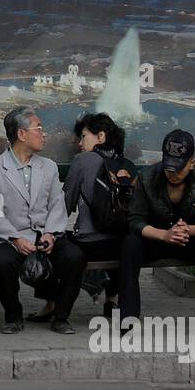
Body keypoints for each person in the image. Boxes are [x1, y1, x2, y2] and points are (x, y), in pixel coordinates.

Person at [0, 106, 84, 334]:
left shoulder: (48, 167)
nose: (43, 134)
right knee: (2, 263)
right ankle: (13, 315)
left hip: (45, 234)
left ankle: (61, 315)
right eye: (39, 128)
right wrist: (16, 238)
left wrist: (50, 233)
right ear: (21, 134)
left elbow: (57, 204)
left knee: (74, 257)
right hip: (9, 237)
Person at [118, 129, 195, 334]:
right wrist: (164, 234)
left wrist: (189, 230)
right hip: (156, 237)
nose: (173, 174)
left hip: (187, 238)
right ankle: (128, 316)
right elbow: (135, 220)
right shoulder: (147, 178)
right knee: (130, 244)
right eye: (169, 168)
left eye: (179, 169)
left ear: (191, 162)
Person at [61, 112, 129, 320]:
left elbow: (65, 205)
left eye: (83, 137)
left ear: (100, 137)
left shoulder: (82, 160)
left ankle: (53, 305)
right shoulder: (125, 163)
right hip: (121, 243)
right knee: (120, 245)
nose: (80, 143)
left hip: (90, 244)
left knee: (61, 243)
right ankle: (111, 299)